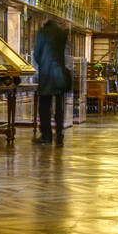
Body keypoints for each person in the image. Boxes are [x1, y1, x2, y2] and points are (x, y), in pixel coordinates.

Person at [32, 18, 71, 146]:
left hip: (46, 74)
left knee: (44, 107)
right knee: (59, 107)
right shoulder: (61, 33)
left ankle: (46, 136)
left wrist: (42, 65)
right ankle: (59, 136)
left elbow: (36, 54)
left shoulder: (42, 32)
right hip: (59, 74)